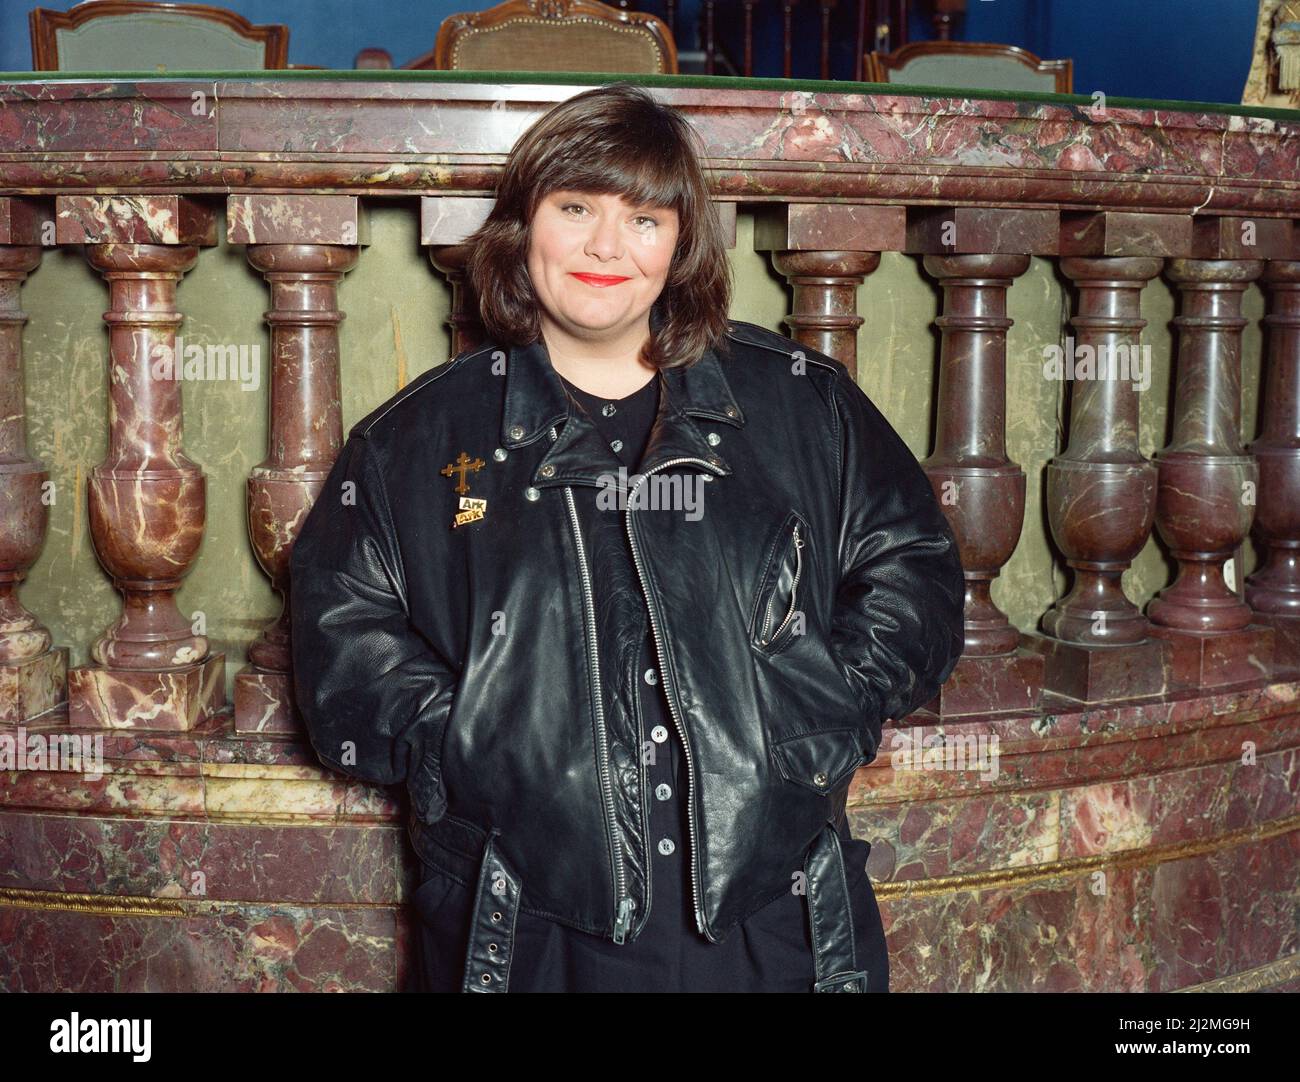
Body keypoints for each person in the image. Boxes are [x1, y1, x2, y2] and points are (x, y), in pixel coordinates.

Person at [289, 83, 965, 993]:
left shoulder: (802, 402)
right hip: (529, 929)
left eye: (644, 219)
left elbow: (916, 573)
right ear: (524, 226)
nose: (608, 246)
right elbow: (340, 648)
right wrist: (473, 747)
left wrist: (819, 712)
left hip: (775, 920)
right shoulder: (414, 440)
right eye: (576, 209)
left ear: (679, 244)